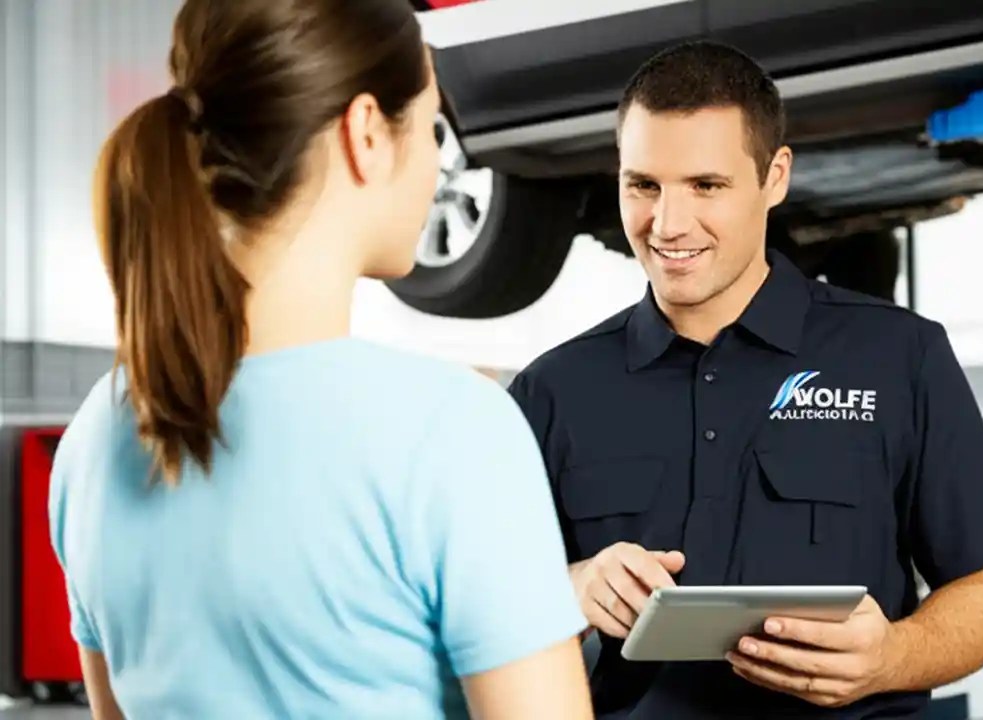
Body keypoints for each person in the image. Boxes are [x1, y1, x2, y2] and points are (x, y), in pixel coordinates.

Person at [47, 1, 593, 718]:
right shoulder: (451, 429)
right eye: (433, 126)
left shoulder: (99, 433)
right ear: (366, 131)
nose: (439, 163)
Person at [508, 40, 983, 719]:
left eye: (706, 186)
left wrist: (892, 657)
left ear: (774, 176)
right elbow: (484, 605)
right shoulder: (553, 390)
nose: (667, 224)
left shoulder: (900, 356)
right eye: (643, 185)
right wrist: (570, 589)